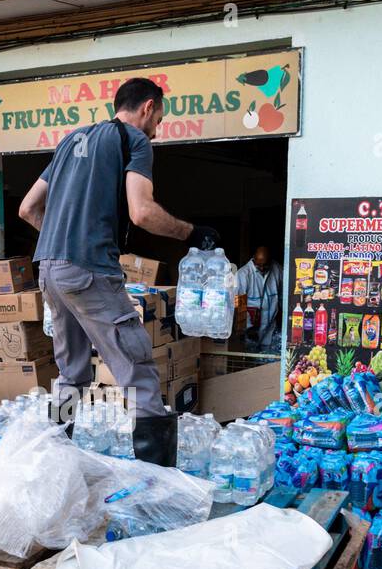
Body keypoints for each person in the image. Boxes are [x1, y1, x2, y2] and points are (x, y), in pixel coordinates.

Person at [18, 76, 220, 465]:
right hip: (90, 271)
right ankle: (156, 482)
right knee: (137, 370)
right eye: (158, 120)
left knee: (71, 374)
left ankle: (53, 457)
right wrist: (192, 233)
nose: (156, 131)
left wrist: (64, 241)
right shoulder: (133, 140)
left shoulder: (70, 140)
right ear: (147, 108)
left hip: (49, 269)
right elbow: (141, 211)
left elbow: (27, 209)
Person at [237, 245, 283, 355]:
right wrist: (243, 330)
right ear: (253, 258)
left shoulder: (277, 269)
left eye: (265, 265)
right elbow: (239, 305)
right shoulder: (243, 274)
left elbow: (282, 296)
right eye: (259, 265)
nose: (262, 268)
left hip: (270, 329)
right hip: (250, 330)